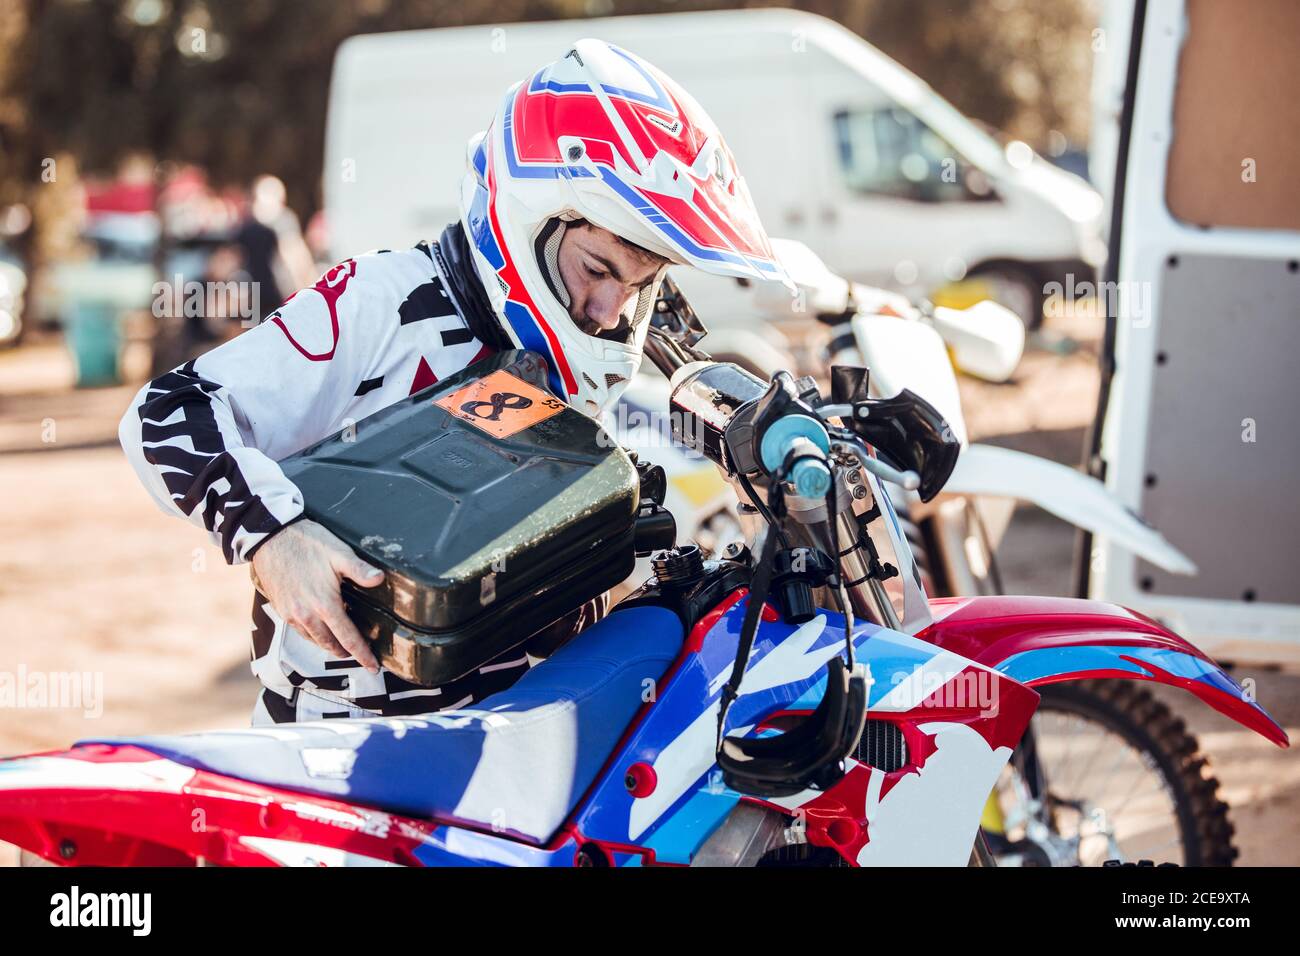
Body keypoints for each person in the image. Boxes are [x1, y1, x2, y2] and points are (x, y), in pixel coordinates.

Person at [119, 40, 788, 725]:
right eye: (598, 269)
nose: (609, 310)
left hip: (520, 735)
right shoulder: (378, 301)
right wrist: (272, 539)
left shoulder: (576, 347)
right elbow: (167, 410)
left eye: (639, 284)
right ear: (532, 217)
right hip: (343, 743)